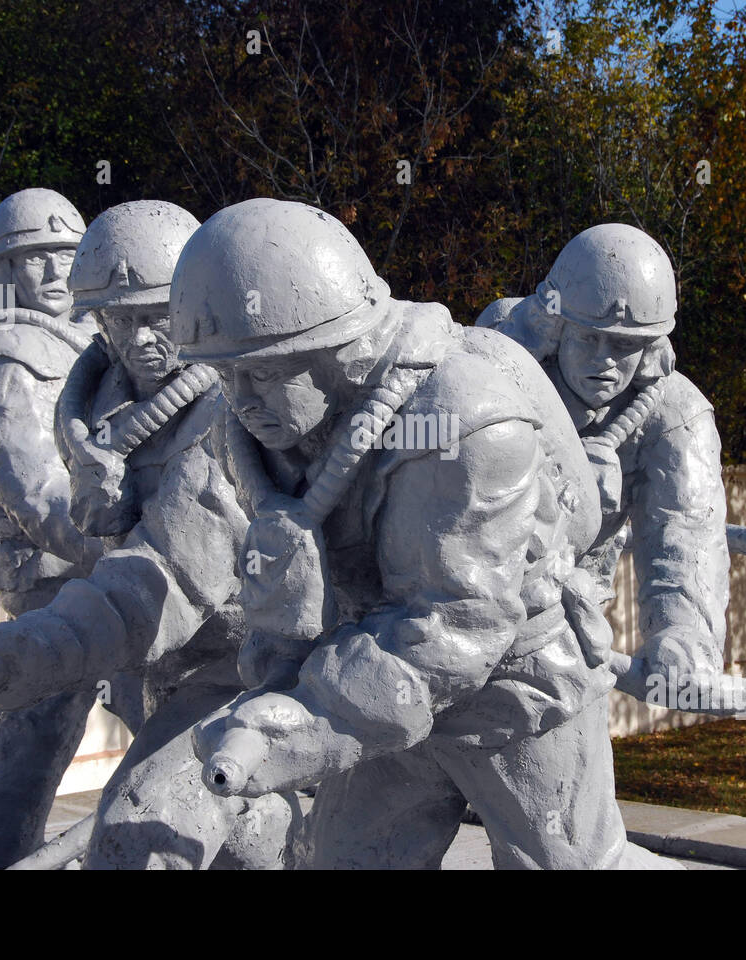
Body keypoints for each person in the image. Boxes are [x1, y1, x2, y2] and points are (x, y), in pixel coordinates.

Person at [182, 198, 658, 869]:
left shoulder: (468, 423)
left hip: (517, 688)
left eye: (262, 372)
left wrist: (297, 728)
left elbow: (455, 626)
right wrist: (275, 694)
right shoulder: (259, 431)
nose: (241, 399)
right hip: (370, 688)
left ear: (337, 351)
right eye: (226, 375)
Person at [0, 199, 298, 869]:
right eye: (122, 321)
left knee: (164, 811)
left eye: (158, 316)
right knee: (51, 733)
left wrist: (122, 558)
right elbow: (33, 490)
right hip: (86, 595)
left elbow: (176, 559)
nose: (144, 339)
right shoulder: (38, 363)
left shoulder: (235, 396)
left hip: (221, 642)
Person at [0, 189, 134, 869]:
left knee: (57, 719)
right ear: (2, 274)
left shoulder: (85, 341)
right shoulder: (6, 352)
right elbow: (24, 485)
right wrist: (113, 548)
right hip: (52, 573)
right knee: (46, 719)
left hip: (95, 564)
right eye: (31, 260)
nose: (50, 274)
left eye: (62, 258)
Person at [477, 222, 730, 696]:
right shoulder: (504, 353)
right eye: (589, 338)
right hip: (453, 598)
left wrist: (683, 638)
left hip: (564, 629)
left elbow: (686, 533)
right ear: (556, 326)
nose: (605, 361)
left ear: (652, 346)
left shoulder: (674, 415)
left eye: (624, 346)